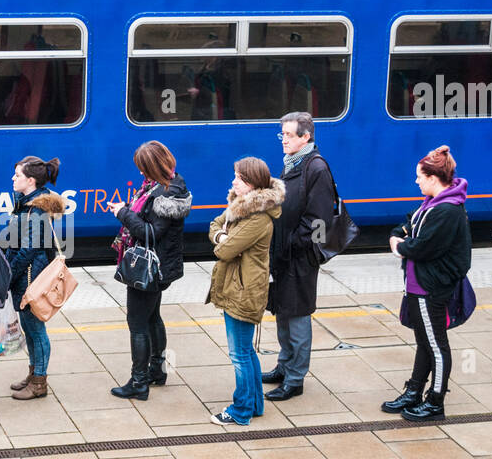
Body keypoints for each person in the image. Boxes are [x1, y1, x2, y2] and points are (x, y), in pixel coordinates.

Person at [383, 145, 472, 422]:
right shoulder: (432, 204)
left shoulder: (446, 211)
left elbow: (421, 247)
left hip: (430, 288)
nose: (416, 181)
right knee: (424, 341)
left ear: (433, 178)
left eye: (419, 176)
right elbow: (409, 224)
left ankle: (435, 402)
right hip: (419, 284)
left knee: (435, 344)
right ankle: (413, 391)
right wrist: (399, 235)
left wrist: (399, 246)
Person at [107, 140, 192, 400]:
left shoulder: (164, 195)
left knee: (137, 324)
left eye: (143, 168)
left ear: (153, 167)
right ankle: (157, 370)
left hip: (149, 268)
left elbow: (150, 233)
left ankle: (139, 382)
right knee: (153, 317)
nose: (140, 173)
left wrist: (123, 213)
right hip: (161, 266)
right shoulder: (167, 184)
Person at [264, 111, 337, 401]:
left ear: (306, 137)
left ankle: (295, 379)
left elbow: (319, 223)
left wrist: (295, 245)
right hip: (284, 253)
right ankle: (284, 366)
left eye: (289, 135)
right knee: (283, 311)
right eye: (281, 134)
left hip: (300, 258)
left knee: (297, 317)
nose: (283, 140)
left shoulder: (316, 168)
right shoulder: (294, 164)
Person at [207, 158, 284, 425]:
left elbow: (225, 251)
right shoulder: (239, 207)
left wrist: (223, 240)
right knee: (247, 351)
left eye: (238, 178)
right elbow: (214, 226)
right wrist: (222, 235)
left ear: (251, 183)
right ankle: (255, 404)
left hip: (244, 291)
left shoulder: (258, 218)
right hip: (237, 287)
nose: (233, 182)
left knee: (239, 353)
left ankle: (240, 411)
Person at [2, 156, 65, 400]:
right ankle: (33, 374)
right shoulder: (25, 204)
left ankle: (39, 383)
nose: (12, 179)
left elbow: (28, 250)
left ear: (30, 181)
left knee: (36, 330)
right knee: (29, 329)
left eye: (17, 175)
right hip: (26, 277)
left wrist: (8, 275)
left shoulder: (35, 211)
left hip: (31, 279)